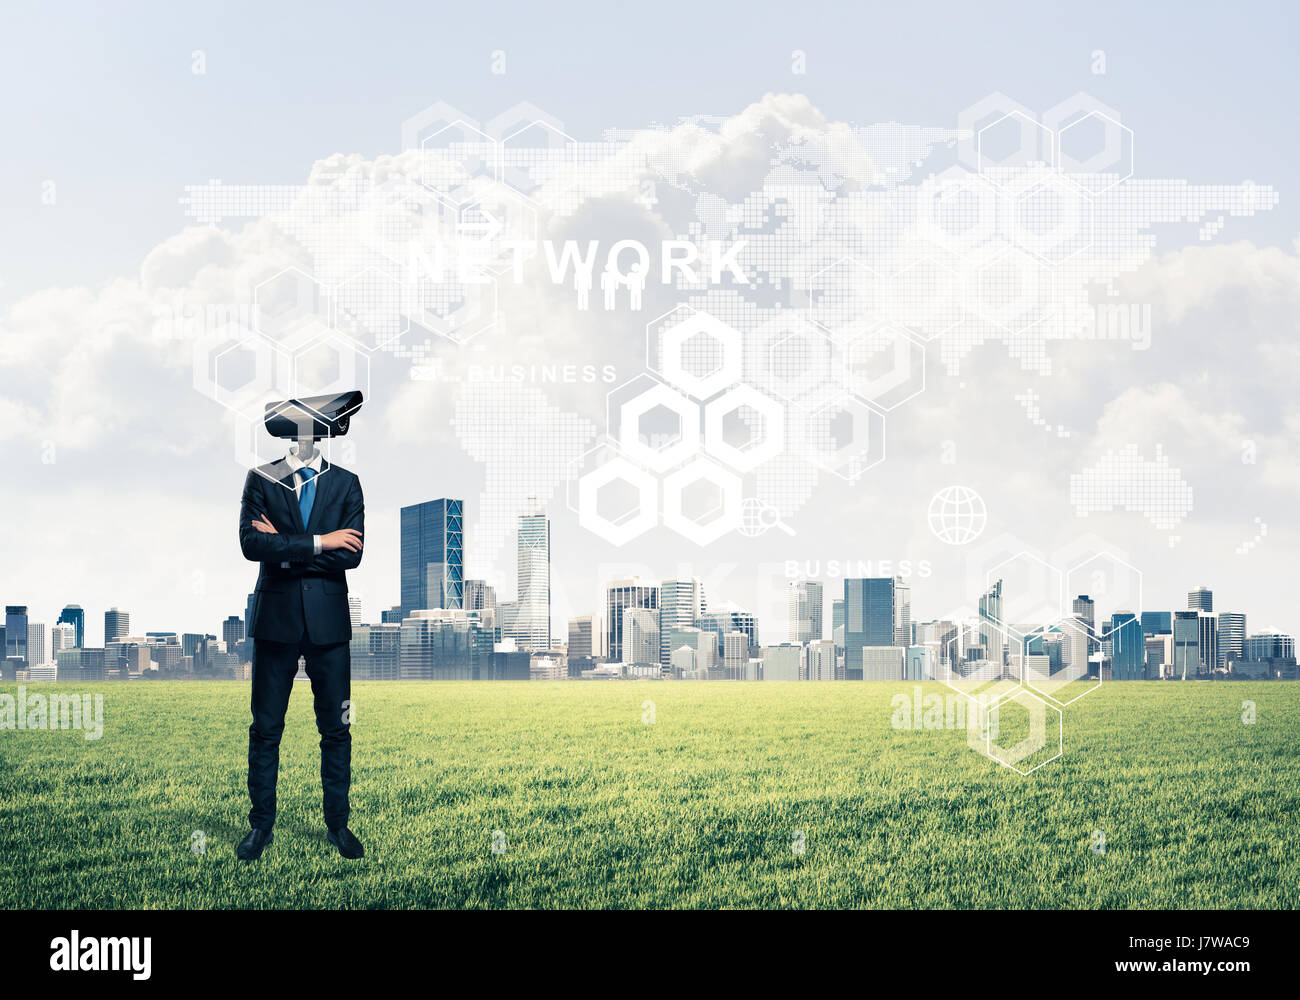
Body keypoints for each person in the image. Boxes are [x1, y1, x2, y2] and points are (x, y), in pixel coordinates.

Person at [234, 442, 366, 861]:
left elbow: (352, 556)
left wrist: (288, 549)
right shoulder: (262, 477)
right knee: (266, 729)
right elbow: (252, 545)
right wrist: (322, 542)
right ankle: (260, 827)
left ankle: (338, 826)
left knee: (337, 730)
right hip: (276, 622)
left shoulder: (347, 483)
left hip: (328, 626)